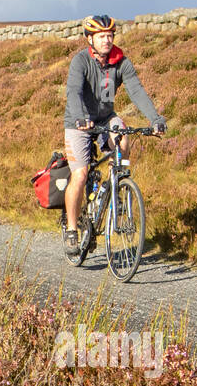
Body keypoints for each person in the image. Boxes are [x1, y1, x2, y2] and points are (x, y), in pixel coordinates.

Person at [62, 14, 166, 252]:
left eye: (110, 35)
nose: (107, 40)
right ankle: (71, 229)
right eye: (101, 36)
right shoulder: (80, 62)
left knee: (123, 136)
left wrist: (155, 119)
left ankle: (116, 183)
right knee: (80, 175)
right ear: (90, 39)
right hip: (78, 122)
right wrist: (80, 117)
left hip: (106, 118)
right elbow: (74, 92)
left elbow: (136, 91)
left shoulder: (121, 62)